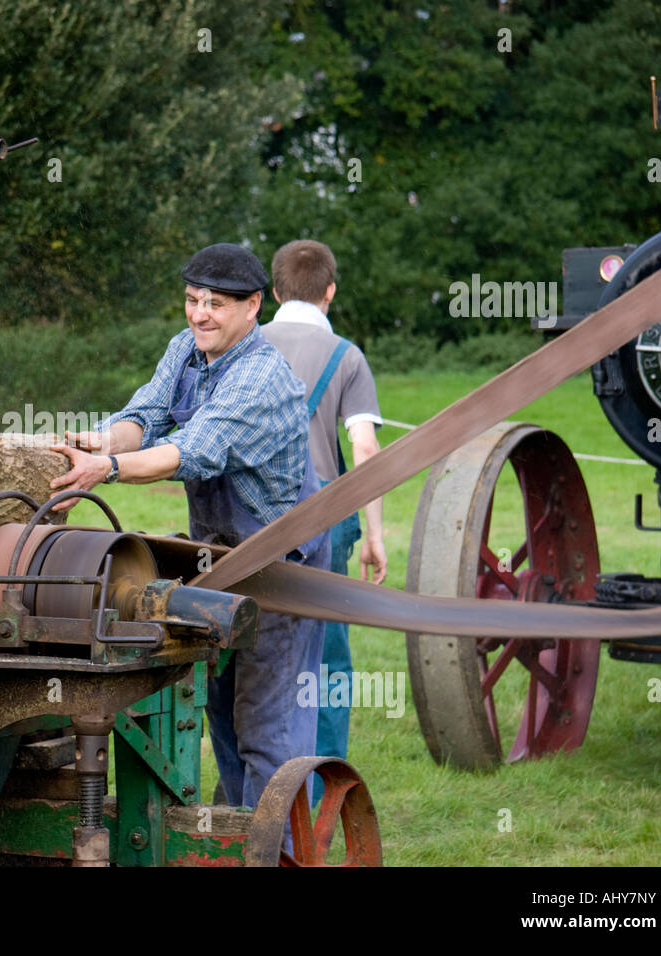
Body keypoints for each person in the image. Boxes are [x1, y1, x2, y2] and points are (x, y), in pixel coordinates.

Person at [49, 242, 330, 810]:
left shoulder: (259, 378)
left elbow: (188, 452)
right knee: (222, 711)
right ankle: (237, 830)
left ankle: (273, 842)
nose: (200, 313)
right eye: (192, 299)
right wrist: (99, 442)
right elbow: (145, 418)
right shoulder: (188, 350)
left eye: (216, 304)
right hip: (221, 561)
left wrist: (106, 470)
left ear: (254, 307)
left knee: (267, 722)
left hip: (279, 563)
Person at [262, 239, 386, 801]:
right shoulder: (347, 356)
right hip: (324, 522)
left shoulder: (244, 345)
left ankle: (254, 793)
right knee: (326, 657)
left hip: (250, 521)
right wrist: (374, 535)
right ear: (330, 291)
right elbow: (364, 450)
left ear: (272, 291)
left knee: (254, 650)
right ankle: (316, 796)